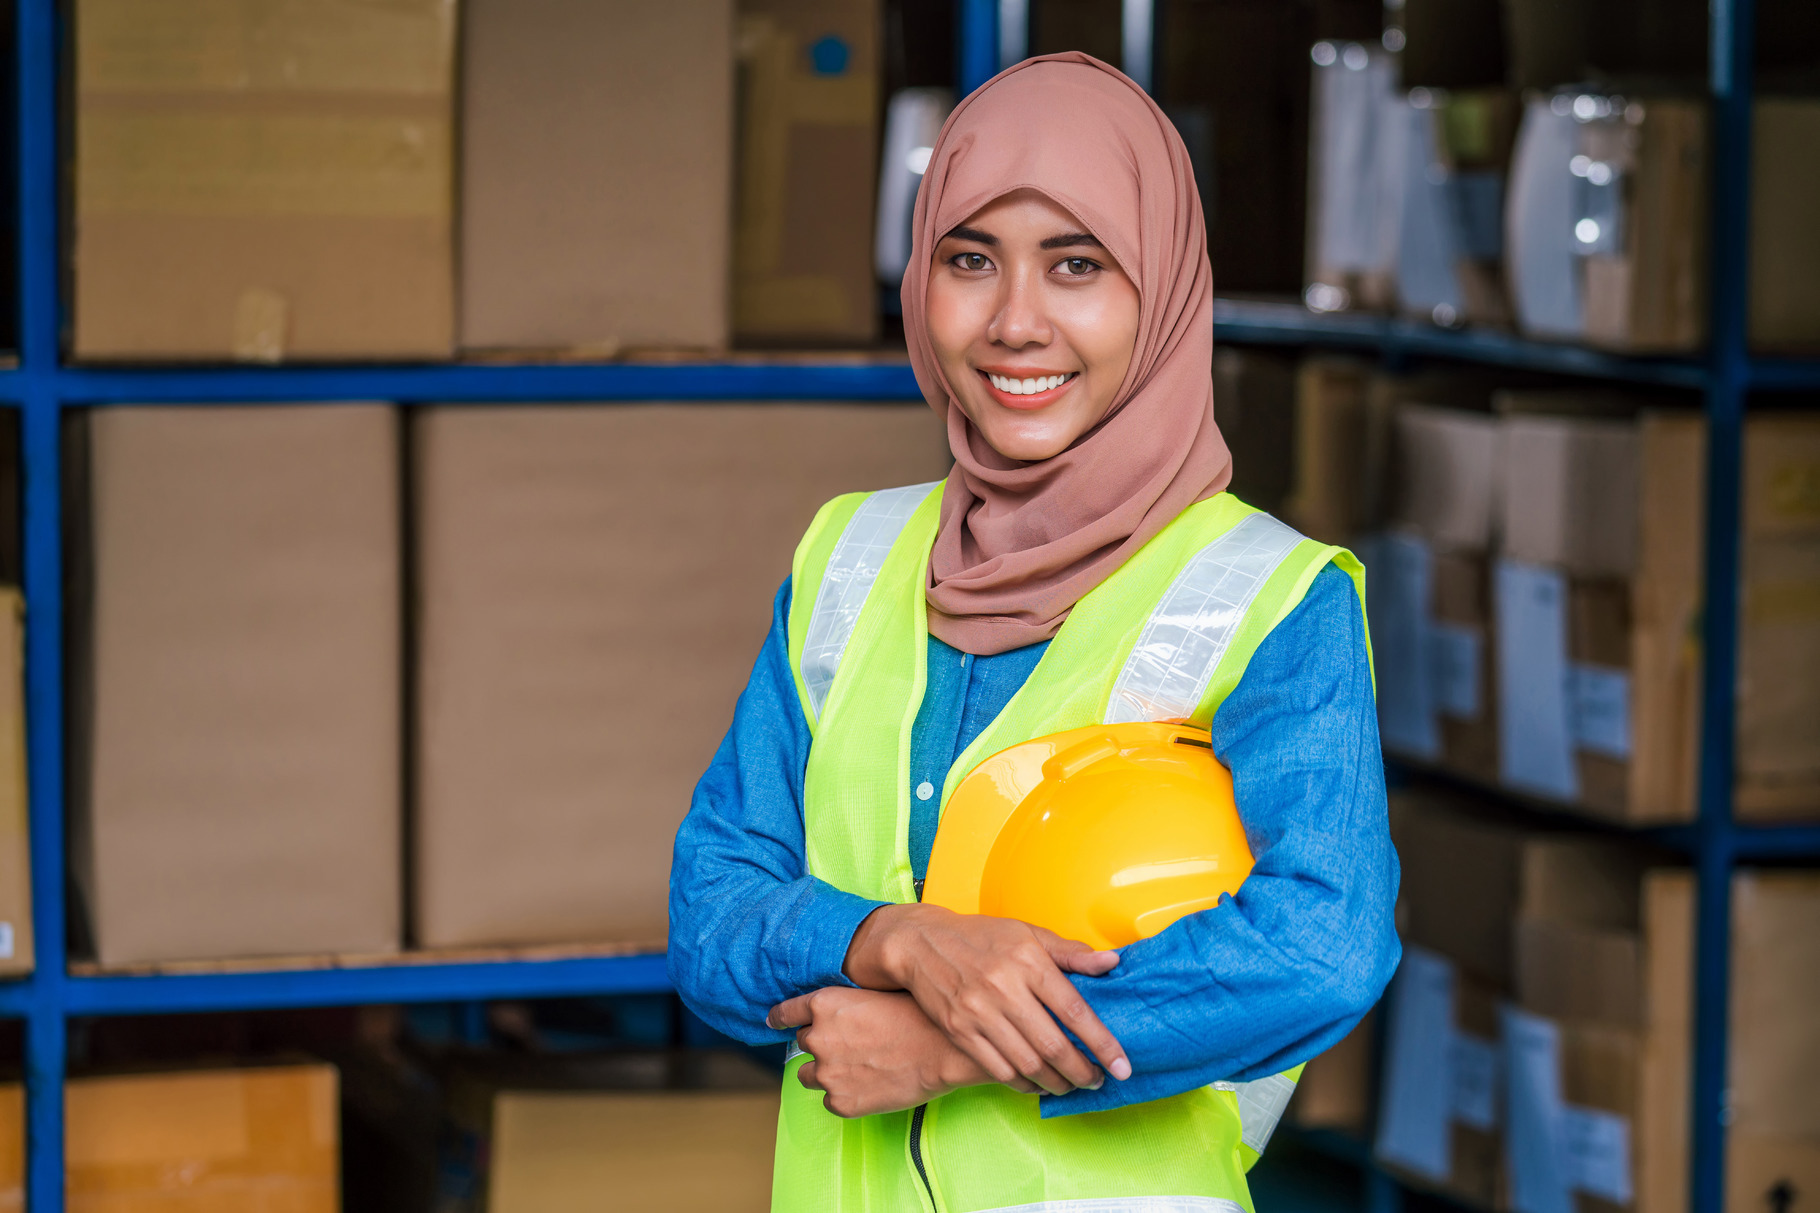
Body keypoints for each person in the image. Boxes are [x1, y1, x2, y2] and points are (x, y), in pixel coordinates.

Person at [669, 52, 1399, 1212]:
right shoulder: (849, 557)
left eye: (1076, 265)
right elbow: (712, 907)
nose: (1015, 323)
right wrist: (896, 941)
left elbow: (1323, 944)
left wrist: (955, 1050)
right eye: (969, 260)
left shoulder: (1268, 596)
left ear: (1158, 290)